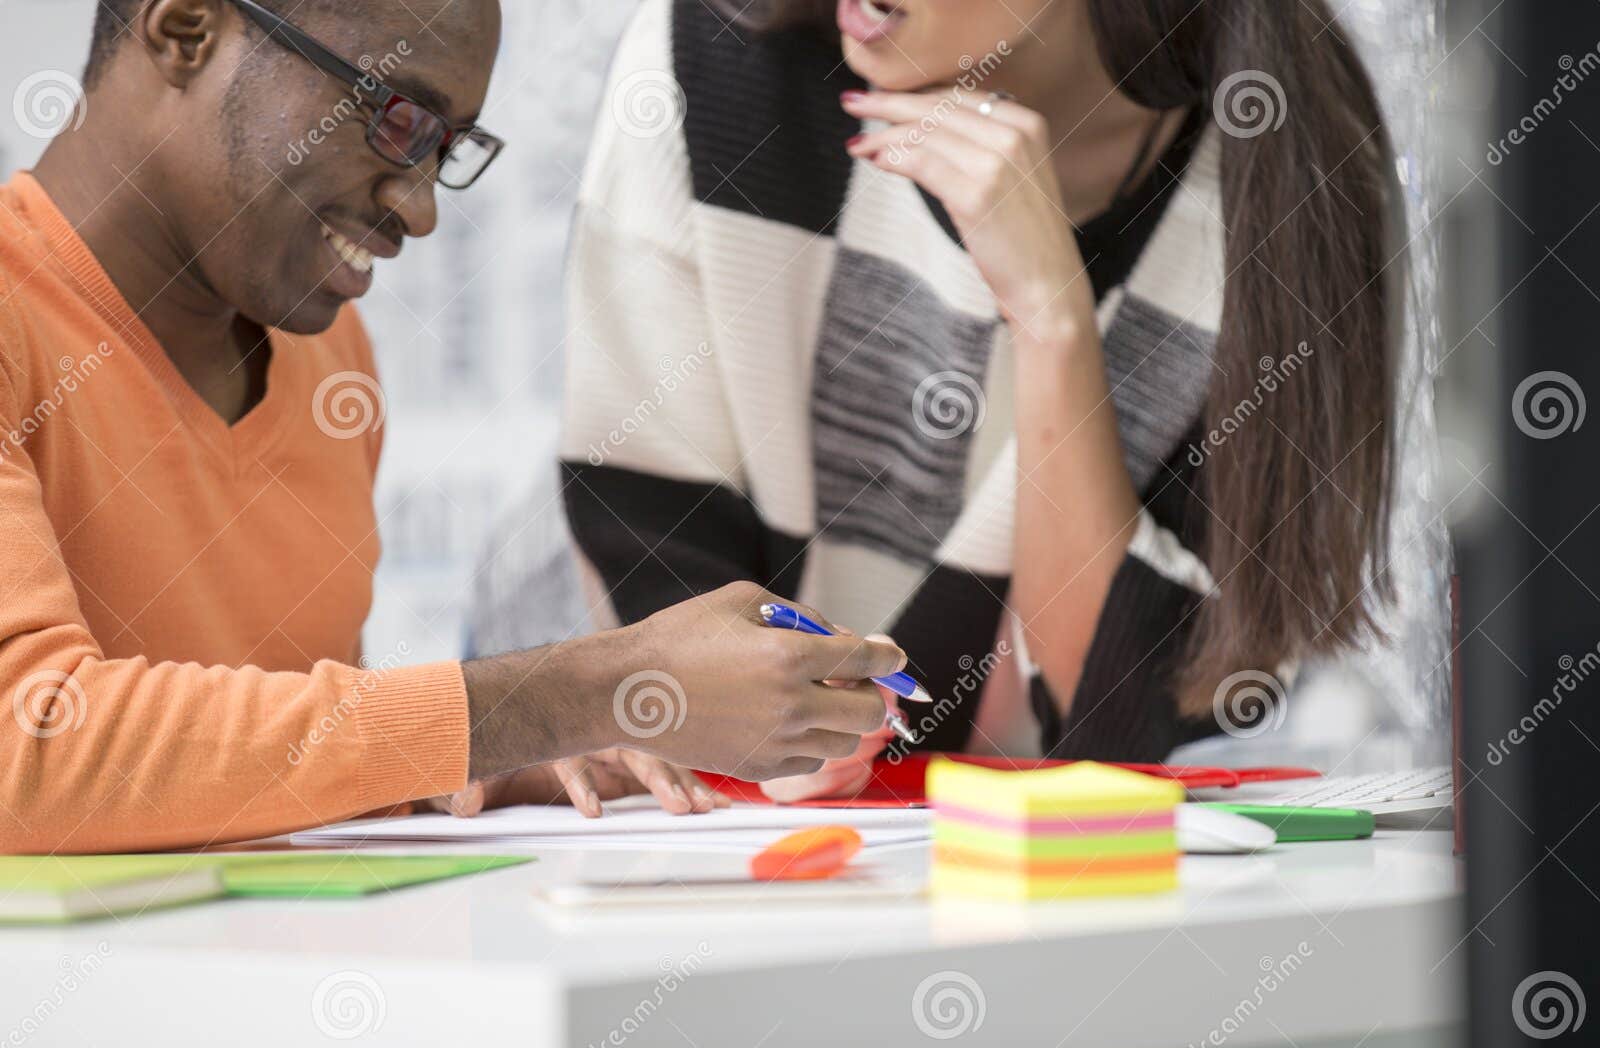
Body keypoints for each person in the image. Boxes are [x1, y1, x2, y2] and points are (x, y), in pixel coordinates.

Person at [0, 0, 908, 855]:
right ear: (185, 29)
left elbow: (251, 779)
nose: (420, 208)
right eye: (398, 120)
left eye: (449, 148)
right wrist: (560, 696)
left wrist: (491, 767)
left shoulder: (328, 362)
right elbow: (25, 755)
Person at [559, 0, 1402, 801]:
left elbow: (1122, 723)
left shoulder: (1288, 159)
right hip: (714, 847)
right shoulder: (707, 55)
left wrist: (1050, 316)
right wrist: (767, 739)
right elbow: (665, 646)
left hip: (1057, 884)